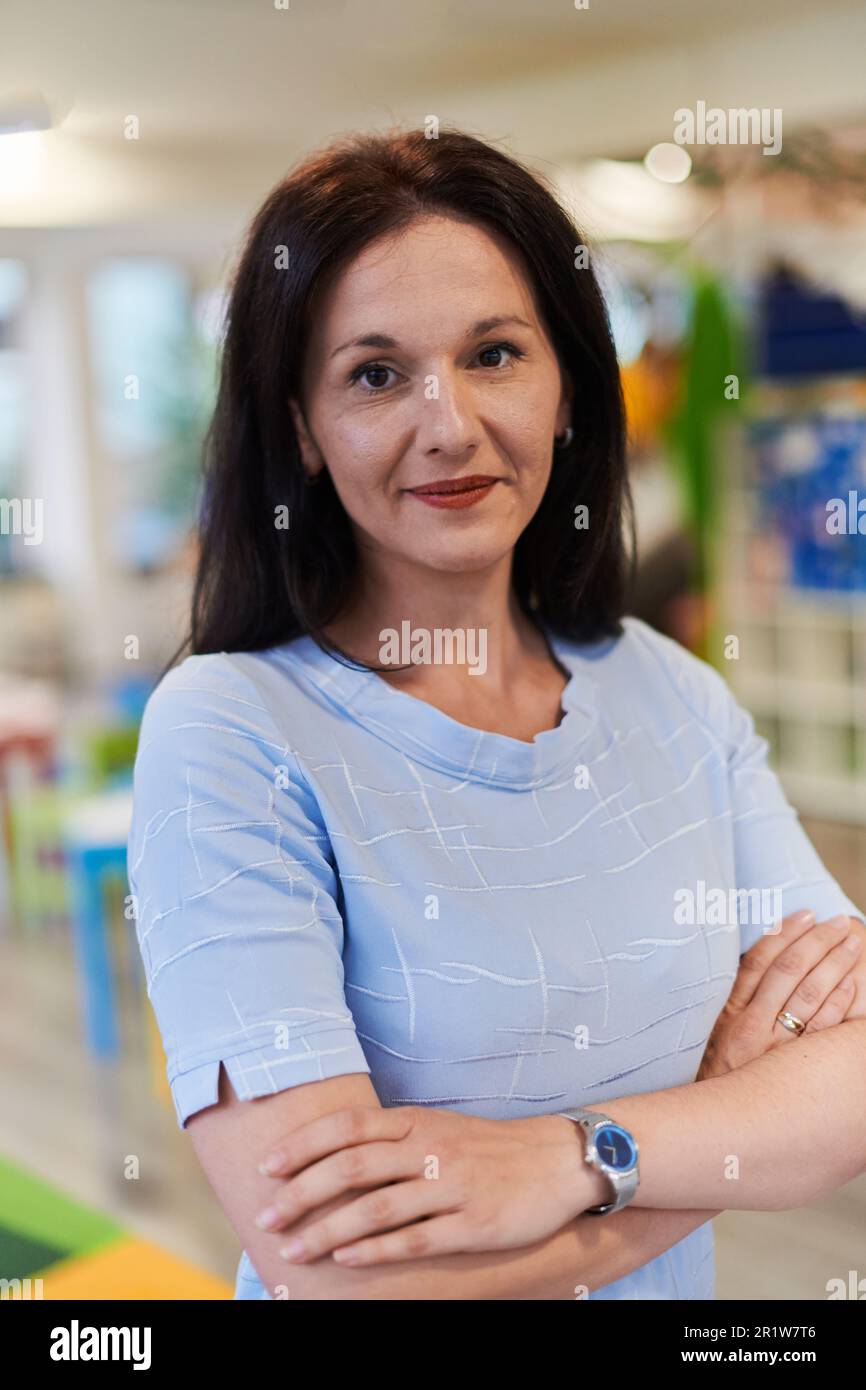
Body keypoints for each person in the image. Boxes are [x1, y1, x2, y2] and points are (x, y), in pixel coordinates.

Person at [128, 127, 866, 1301]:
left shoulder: (671, 692)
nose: (449, 423)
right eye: (375, 374)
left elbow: (853, 1076)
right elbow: (341, 1278)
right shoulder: (230, 731)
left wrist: (560, 1158)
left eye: (493, 353)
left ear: (566, 384)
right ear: (303, 428)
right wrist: (703, 1135)